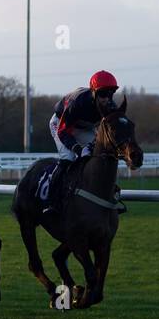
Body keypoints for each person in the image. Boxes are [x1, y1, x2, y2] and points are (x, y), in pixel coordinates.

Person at [42, 71, 127, 215]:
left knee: (102, 155)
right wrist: (77, 149)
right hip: (61, 124)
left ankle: (108, 194)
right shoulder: (78, 103)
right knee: (68, 157)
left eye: (110, 94)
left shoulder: (109, 106)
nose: (106, 99)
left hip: (85, 127)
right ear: (94, 92)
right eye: (103, 94)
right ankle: (52, 202)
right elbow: (63, 131)